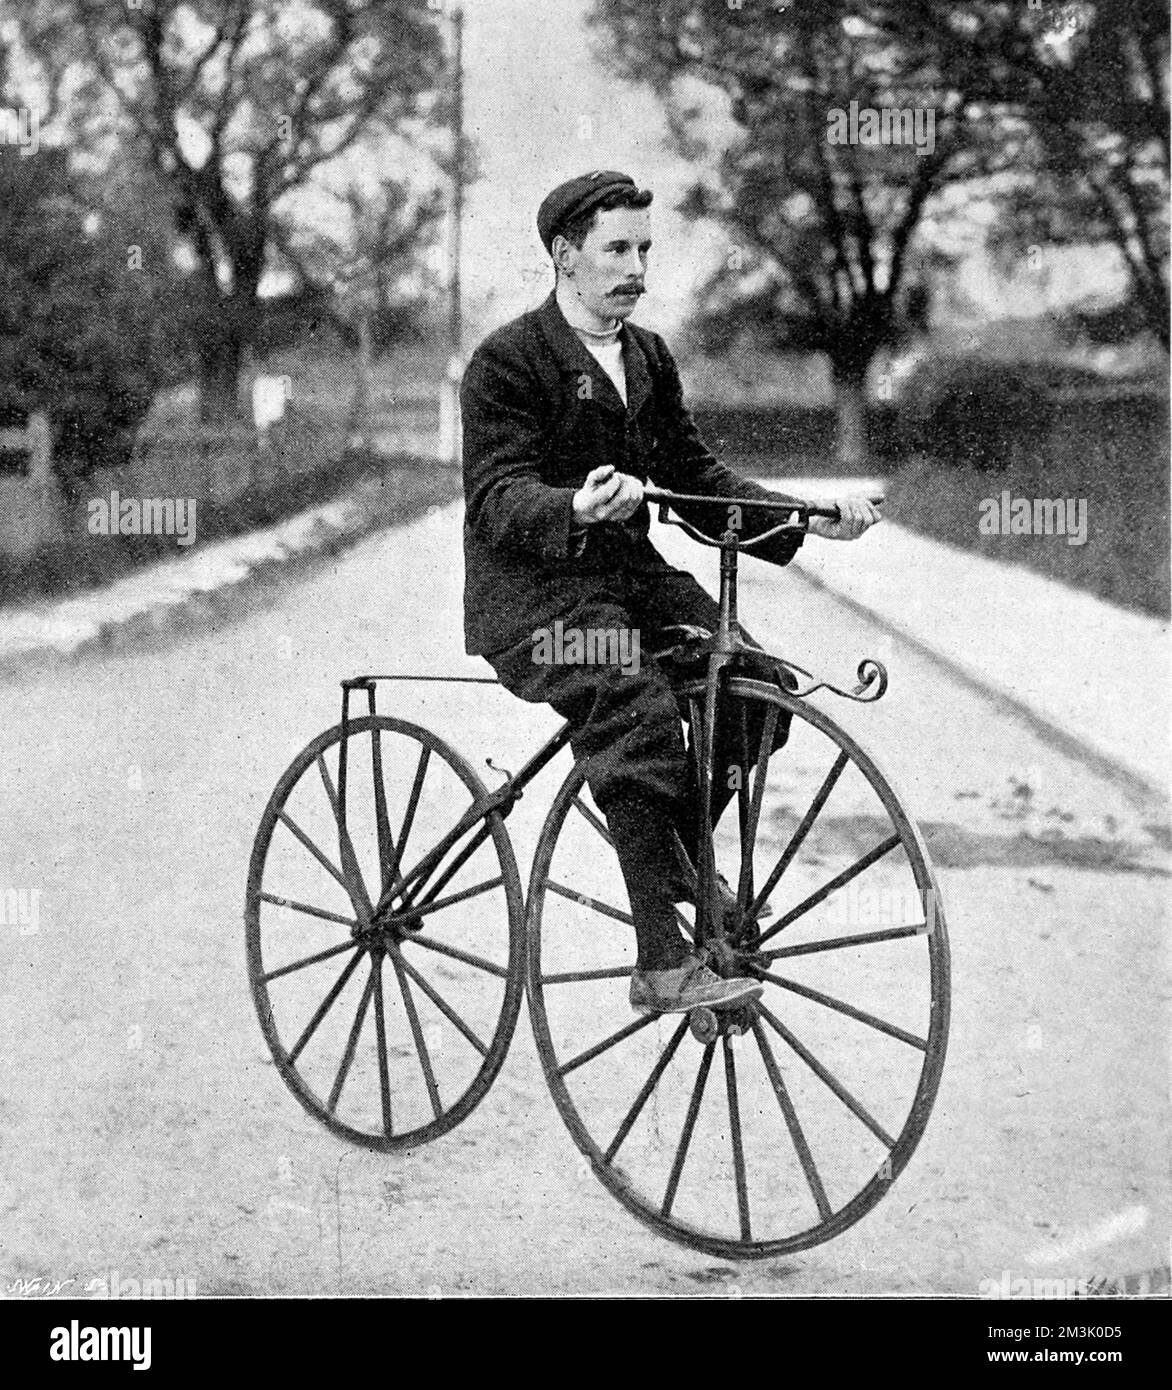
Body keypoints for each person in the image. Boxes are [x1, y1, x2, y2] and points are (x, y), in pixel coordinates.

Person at [460, 171, 880, 1015]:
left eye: (645, 249)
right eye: (617, 249)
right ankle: (659, 958)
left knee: (759, 692)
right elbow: (496, 495)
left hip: (629, 582)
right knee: (638, 707)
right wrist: (574, 505)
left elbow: (692, 475)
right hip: (537, 601)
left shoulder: (647, 355)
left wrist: (805, 517)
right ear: (563, 254)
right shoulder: (509, 361)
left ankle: (680, 851)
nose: (636, 268)